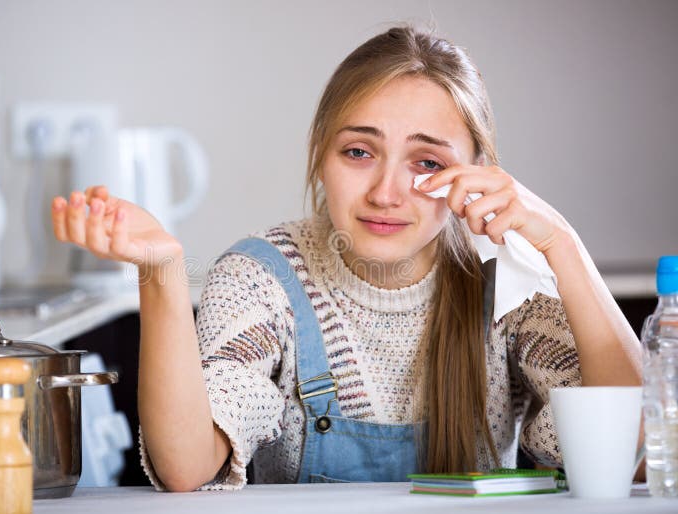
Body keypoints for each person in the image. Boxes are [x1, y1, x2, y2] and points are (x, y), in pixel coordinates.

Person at [50, 25, 643, 492]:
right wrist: (160, 270)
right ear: (321, 159)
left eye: (427, 163)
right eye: (359, 152)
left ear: (477, 174)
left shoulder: (508, 287)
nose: (386, 192)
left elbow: (637, 450)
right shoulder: (262, 278)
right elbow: (186, 468)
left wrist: (562, 243)